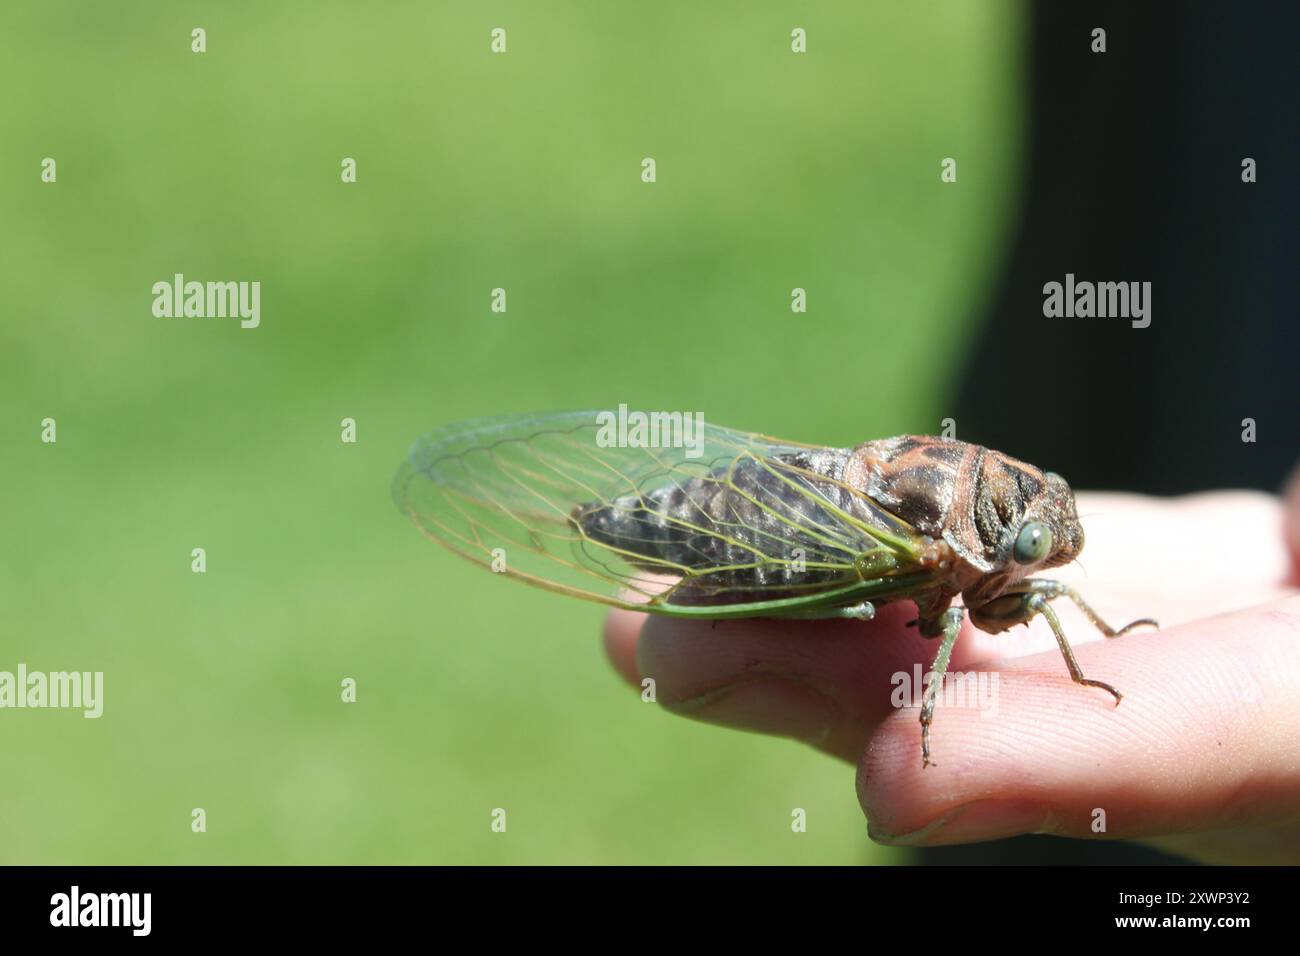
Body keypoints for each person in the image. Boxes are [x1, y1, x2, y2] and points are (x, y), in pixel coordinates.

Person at [602, 478, 1300, 864]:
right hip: (771, 531)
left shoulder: (987, 555)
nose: (1039, 565)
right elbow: (950, 621)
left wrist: (1107, 636)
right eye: (1030, 547)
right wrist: (927, 708)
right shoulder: (935, 553)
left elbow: (980, 605)